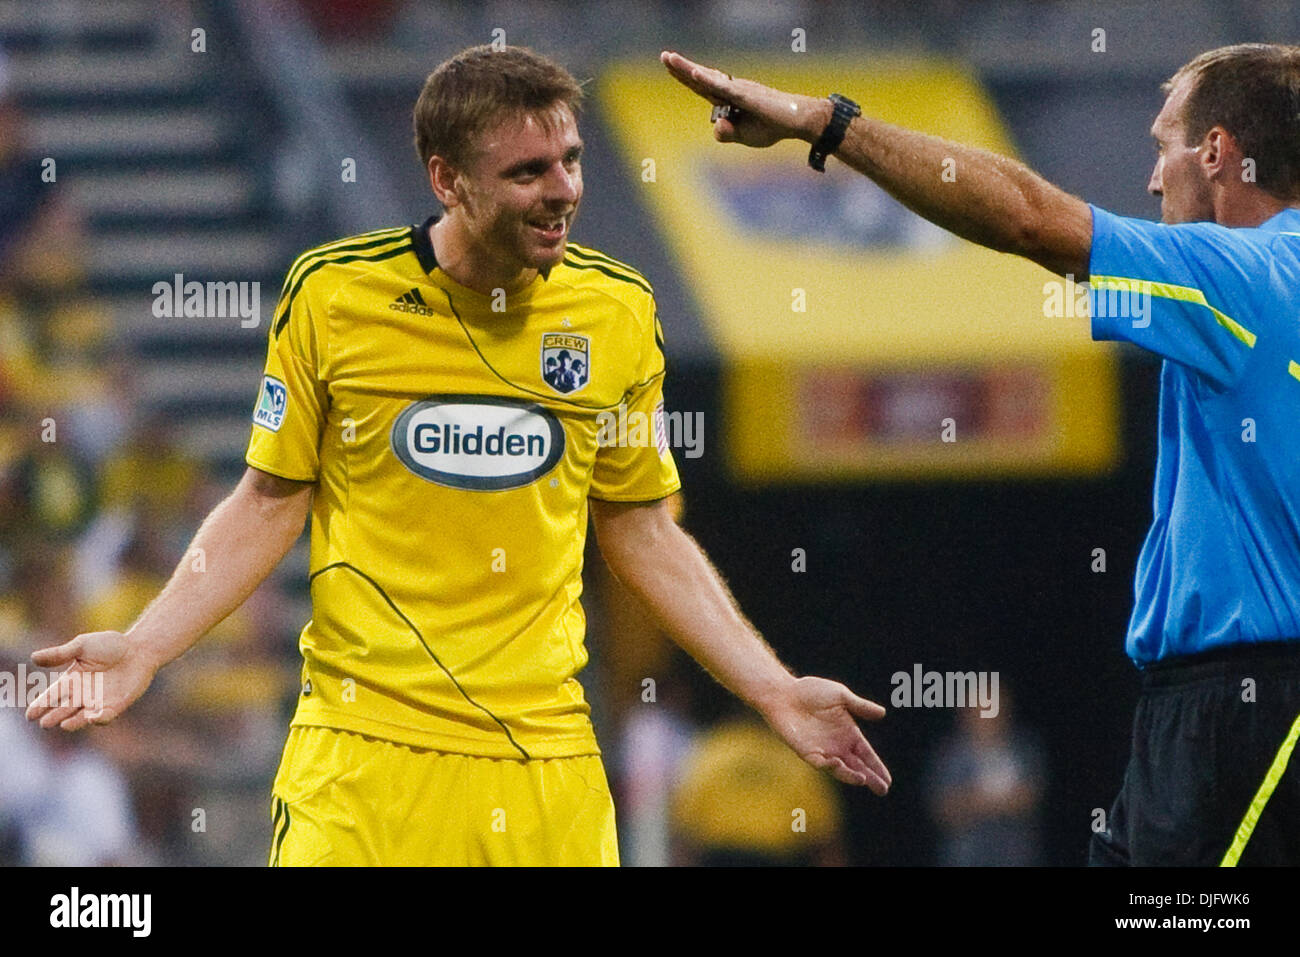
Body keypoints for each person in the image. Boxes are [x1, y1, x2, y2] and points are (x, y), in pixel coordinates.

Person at [25, 45, 890, 867]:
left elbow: (641, 527)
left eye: (572, 161)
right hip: (362, 761)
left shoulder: (617, 313)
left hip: (542, 768)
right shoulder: (334, 297)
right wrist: (144, 646)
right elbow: (268, 499)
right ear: (447, 179)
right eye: (528, 172)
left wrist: (773, 688)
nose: (563, 192)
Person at [662, 43, 1300, 866]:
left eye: (1162, 143)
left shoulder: (1245, 278)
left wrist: (828, 124)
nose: (1150, 179)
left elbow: (1030, 217)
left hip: (1248, 713)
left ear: (1216, 152)